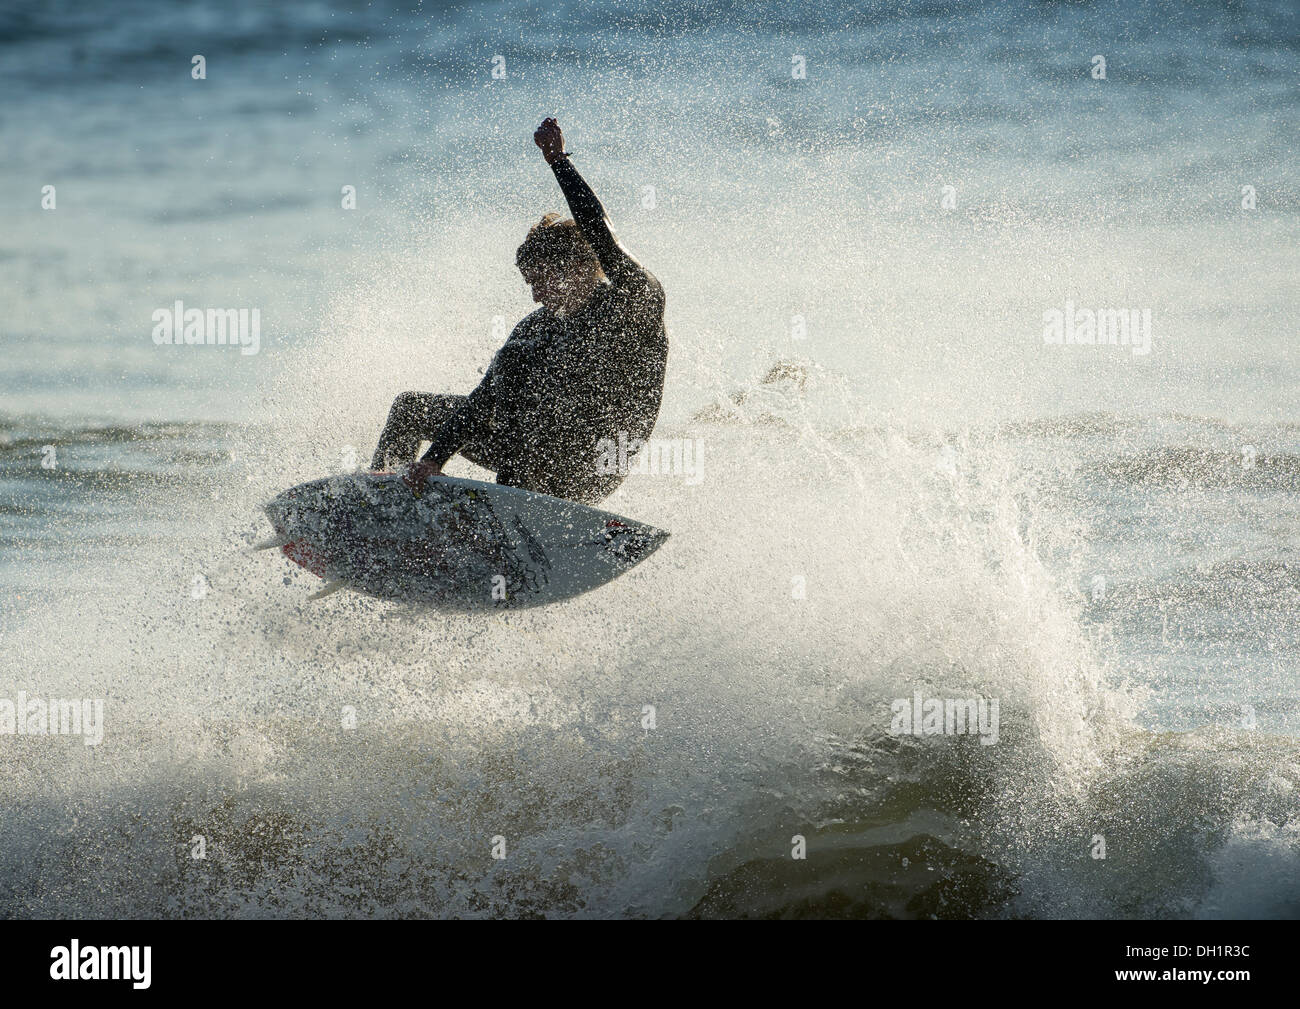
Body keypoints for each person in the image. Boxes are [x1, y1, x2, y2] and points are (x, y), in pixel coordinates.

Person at [371, 117, 667, 505]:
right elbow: (483, 400)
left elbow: (601, 234)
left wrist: (558, 161)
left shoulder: (633, 301)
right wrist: (432, 461)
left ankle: (509, 507)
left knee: (518, 362)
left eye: (541, 281)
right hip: (533, 453)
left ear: (577, 267)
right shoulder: (540, 325)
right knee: (412, 408)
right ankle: (385, 505)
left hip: (593, 465)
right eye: (530, 285)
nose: (536, 297)